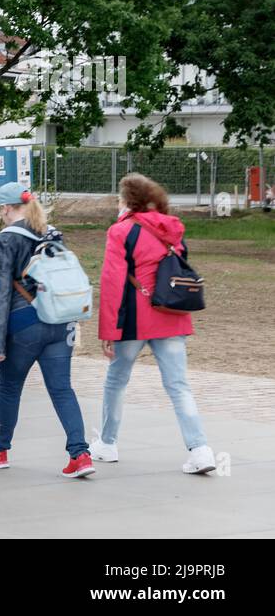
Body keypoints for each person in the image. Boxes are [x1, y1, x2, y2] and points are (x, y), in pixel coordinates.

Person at [94, 173, 216, 474]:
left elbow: (112, 283)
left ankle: (108, 443)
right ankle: (200, 449)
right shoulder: (172, 227)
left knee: (116, 380)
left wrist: (108, 331)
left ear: (126, 200)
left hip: (134, 319)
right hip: (172, 314)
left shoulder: (121, 231)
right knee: (178, 386)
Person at [0, 182, 93, 479]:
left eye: (1, 210)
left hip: (24, 324)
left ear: (8, 208)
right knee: (62, 389)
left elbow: (0, 293)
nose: (0, 215)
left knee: (10, 387)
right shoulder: (52, 233)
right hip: (61, 320)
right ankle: (80, 454)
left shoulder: (5, 240)